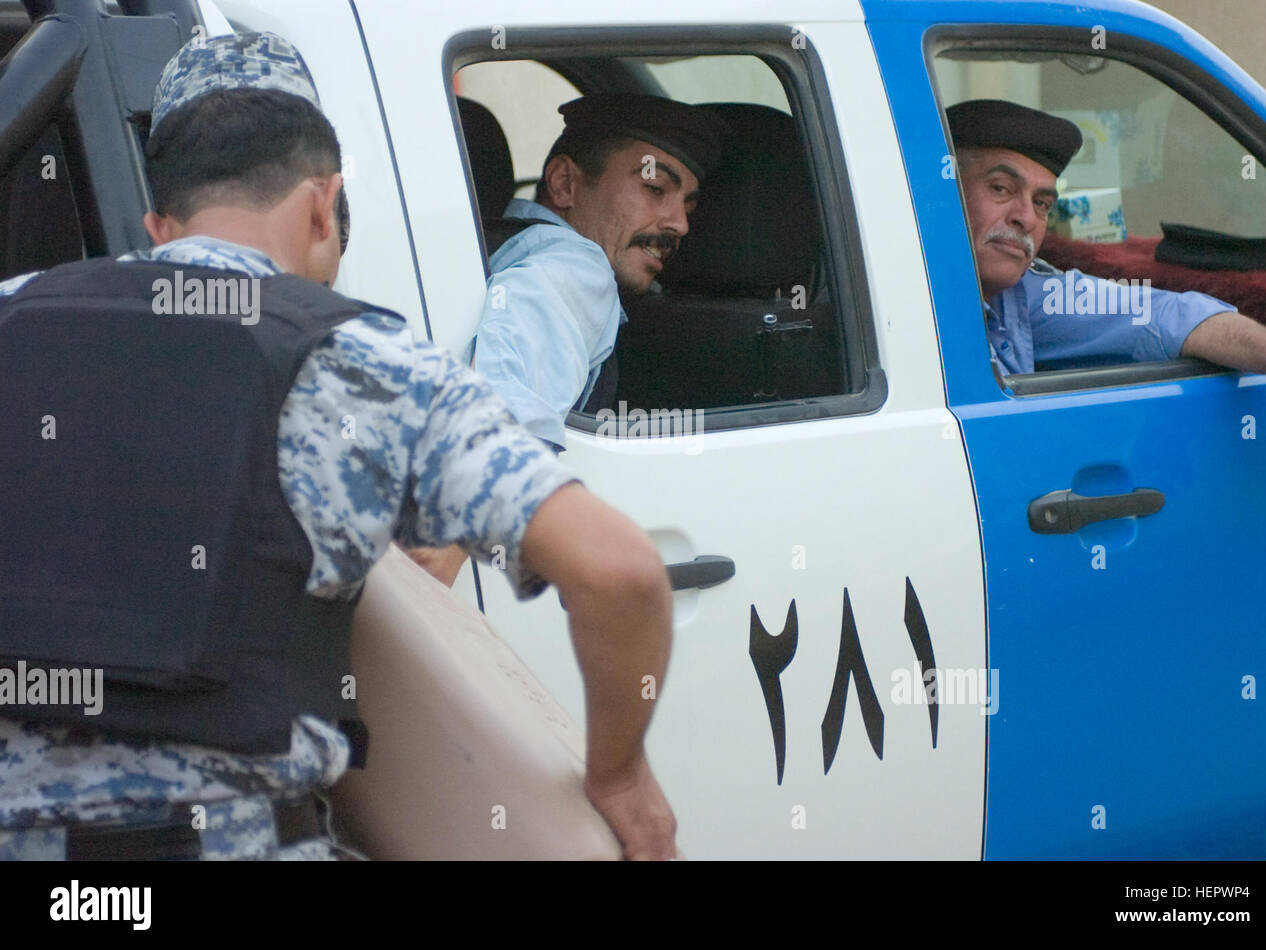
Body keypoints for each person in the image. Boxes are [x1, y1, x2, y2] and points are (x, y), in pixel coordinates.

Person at [0, 32, 675, 861]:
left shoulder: (14, 315)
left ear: (156, 226)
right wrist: (619, 773)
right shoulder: (363, 363)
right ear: (326, 204)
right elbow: (620, 572)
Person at [949, 99, 1266, 462]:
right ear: (948, 190)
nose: (1026, 217)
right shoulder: (902, 304)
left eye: (1041, 203)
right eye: (1001, 188)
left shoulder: (1027, 295)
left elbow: (1158, 314)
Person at [472, 93, 727, 450]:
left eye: (689, 206)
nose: (681, 224)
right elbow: (499, 445)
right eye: (655, 188)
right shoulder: (580, 268)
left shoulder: (486, 246)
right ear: (564, 183)